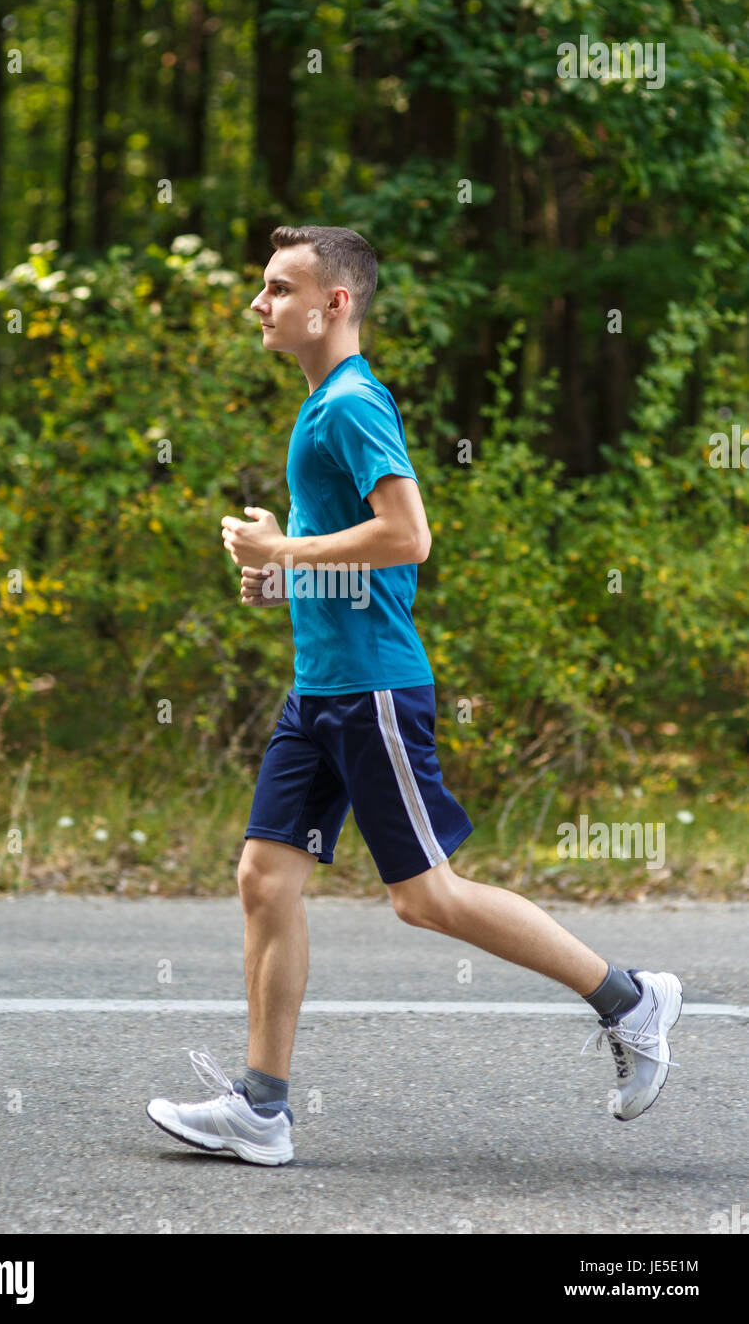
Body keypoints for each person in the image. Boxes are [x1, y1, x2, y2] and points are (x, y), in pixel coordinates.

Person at [146, 225, 681, 1166]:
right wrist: (286, 576)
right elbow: (356, 557)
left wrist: (284, 552)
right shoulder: (320, 408)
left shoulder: (352, 404)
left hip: (373, 691)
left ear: (334, 304)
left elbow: (408, 536)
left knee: (425, 897)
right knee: (264, 879)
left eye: (278, 288)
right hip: (320, 690)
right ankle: (262, 1108)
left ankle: (630, 1001)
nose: (258, 303)